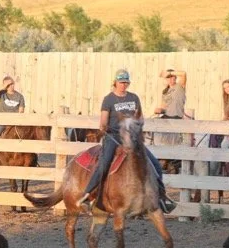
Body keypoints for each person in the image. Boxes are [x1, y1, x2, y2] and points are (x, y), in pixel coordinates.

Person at [77, 69, 175, 213]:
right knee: (104, 164)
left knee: (155, 165)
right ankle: (87, 195)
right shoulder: (108, 99)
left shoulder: (134, 98)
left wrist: (138, 125)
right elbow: (103, 121)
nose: (123, 85)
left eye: (126, 82)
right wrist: (103, 127)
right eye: (121, 82)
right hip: (114, 136)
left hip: (132, 137)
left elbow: (140, 117)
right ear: (115, 82)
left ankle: (161, 197)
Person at [153, 69, 187, 149]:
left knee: (174, 143)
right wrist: (159, 110)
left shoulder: (179, 87)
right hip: (167, 117)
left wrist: (169, 73)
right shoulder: (165, 91)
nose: (171, 79)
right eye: (168, 78)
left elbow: (183, 74)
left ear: (175, 78)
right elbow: (163, 107)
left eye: (172, 77)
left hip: (176, 118)